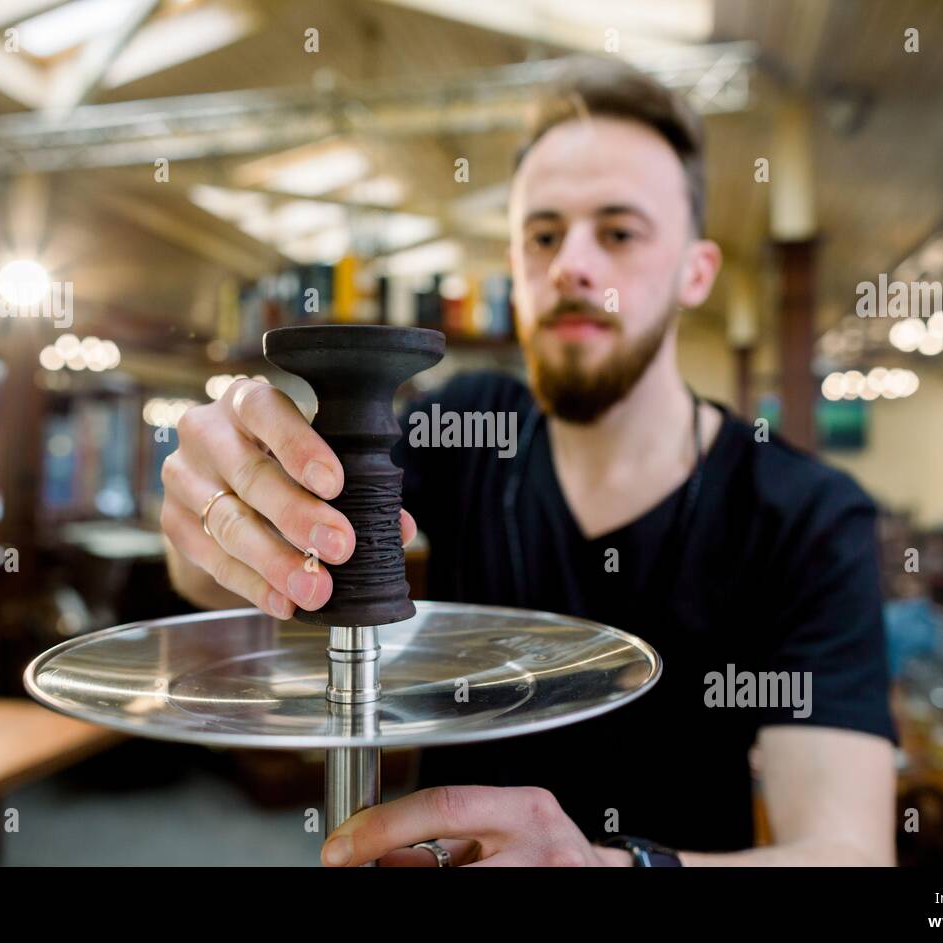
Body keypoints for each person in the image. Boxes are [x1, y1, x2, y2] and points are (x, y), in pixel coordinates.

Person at [160, 57, 897, 867]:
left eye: (618, 232)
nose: (571, 265)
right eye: (543, 235)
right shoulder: (468, 426)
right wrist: (221, 509)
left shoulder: (804, 513)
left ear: (696, 273)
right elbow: (240, 567)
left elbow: (848, 854)